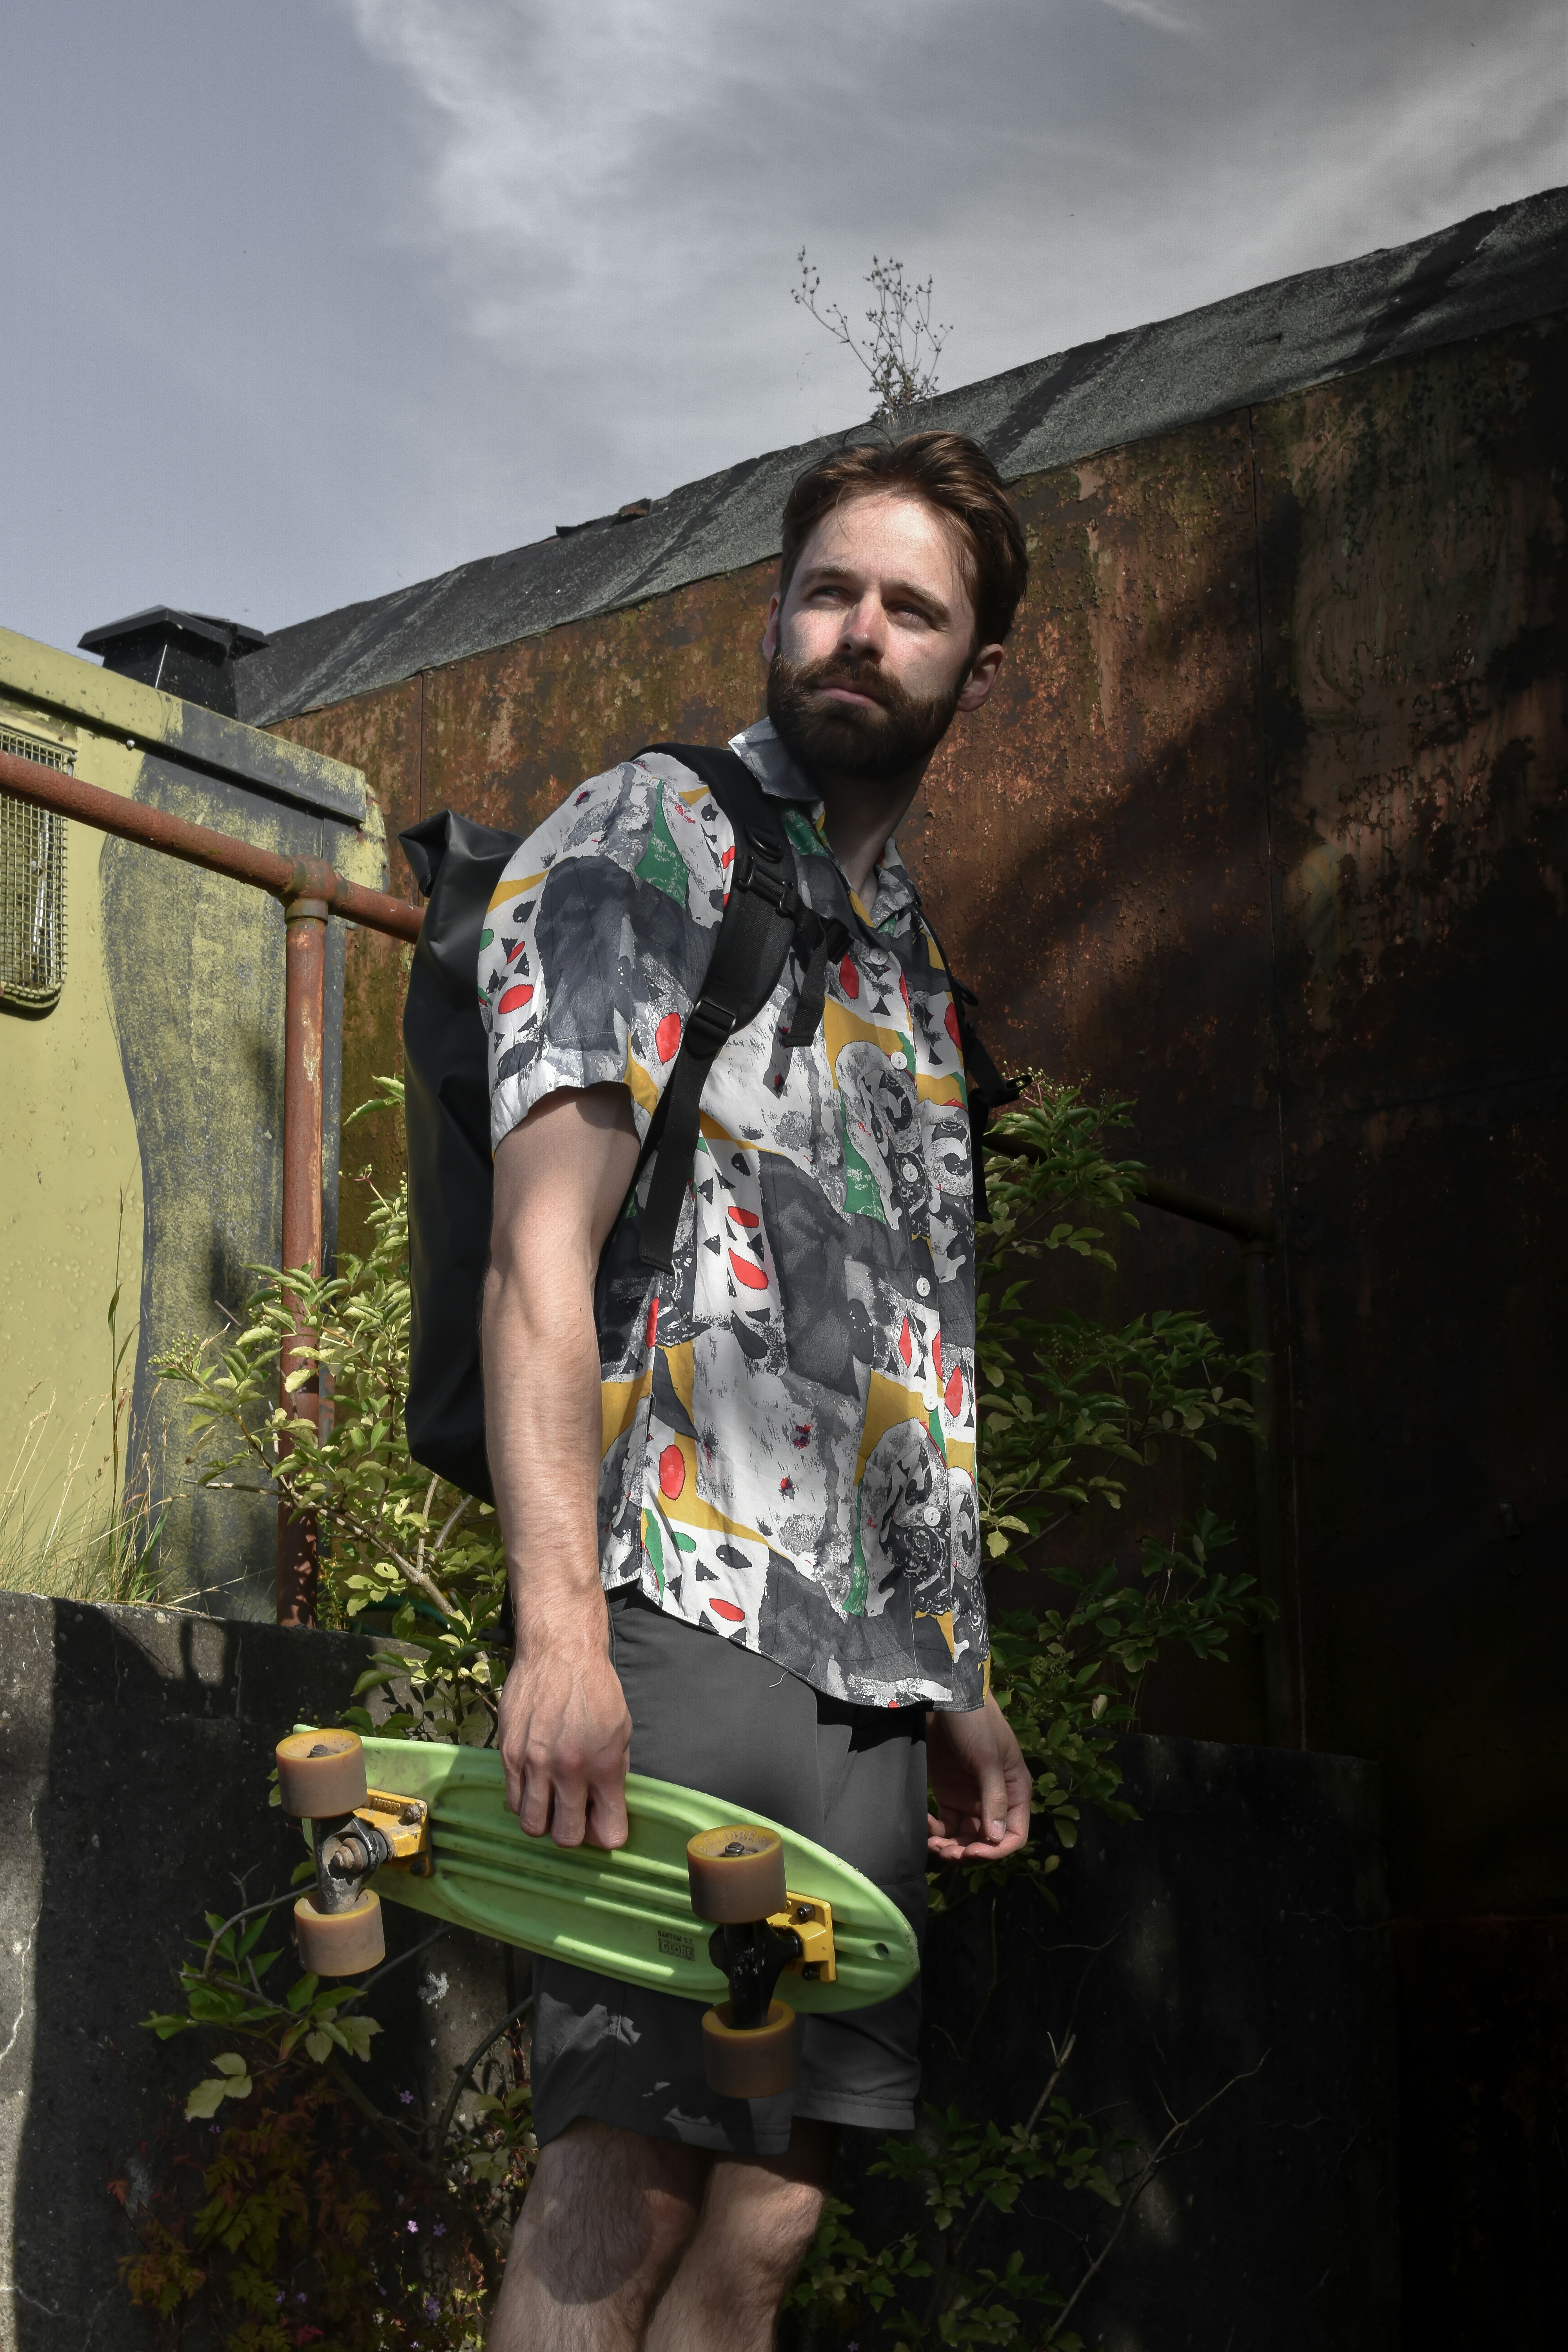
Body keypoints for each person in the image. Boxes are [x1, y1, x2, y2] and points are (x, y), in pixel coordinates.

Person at [478, 429, 1033, 2351]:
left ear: (975, 667)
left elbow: (895, 1352)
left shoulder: (913, 965)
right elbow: (539, 1252)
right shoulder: (658, 833)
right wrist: (562, 1636)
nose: (860, 632)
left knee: (773, 2218)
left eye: (911, 610)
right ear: (777, 615)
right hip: (680, 1602)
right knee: (626, 2179)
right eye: (828, 592)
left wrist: (956, 1678)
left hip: (868, 1677)